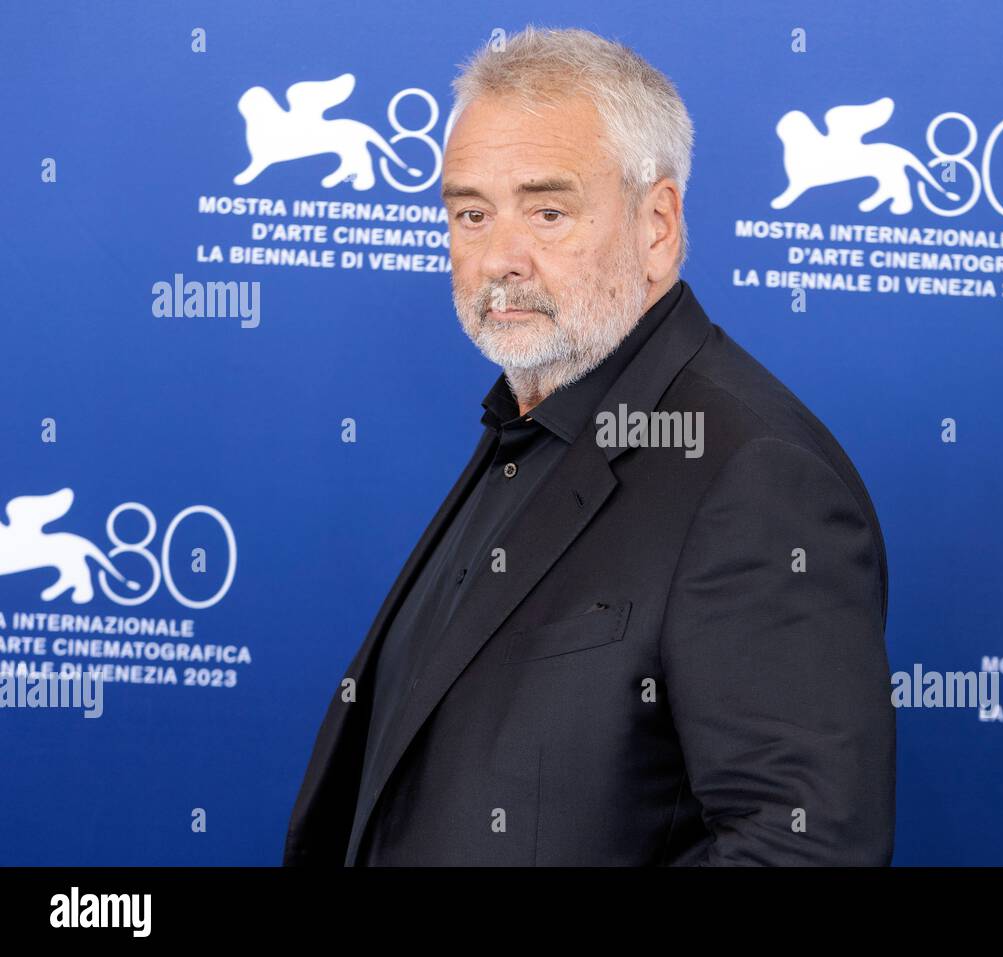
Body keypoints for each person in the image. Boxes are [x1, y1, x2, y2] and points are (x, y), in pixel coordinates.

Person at [283, 25, 894, 866]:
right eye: (470, 212)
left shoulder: (756, 477)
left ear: (657, 225)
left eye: (548, 211)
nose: (501, 257)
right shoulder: (530, 416)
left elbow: (803, 850)